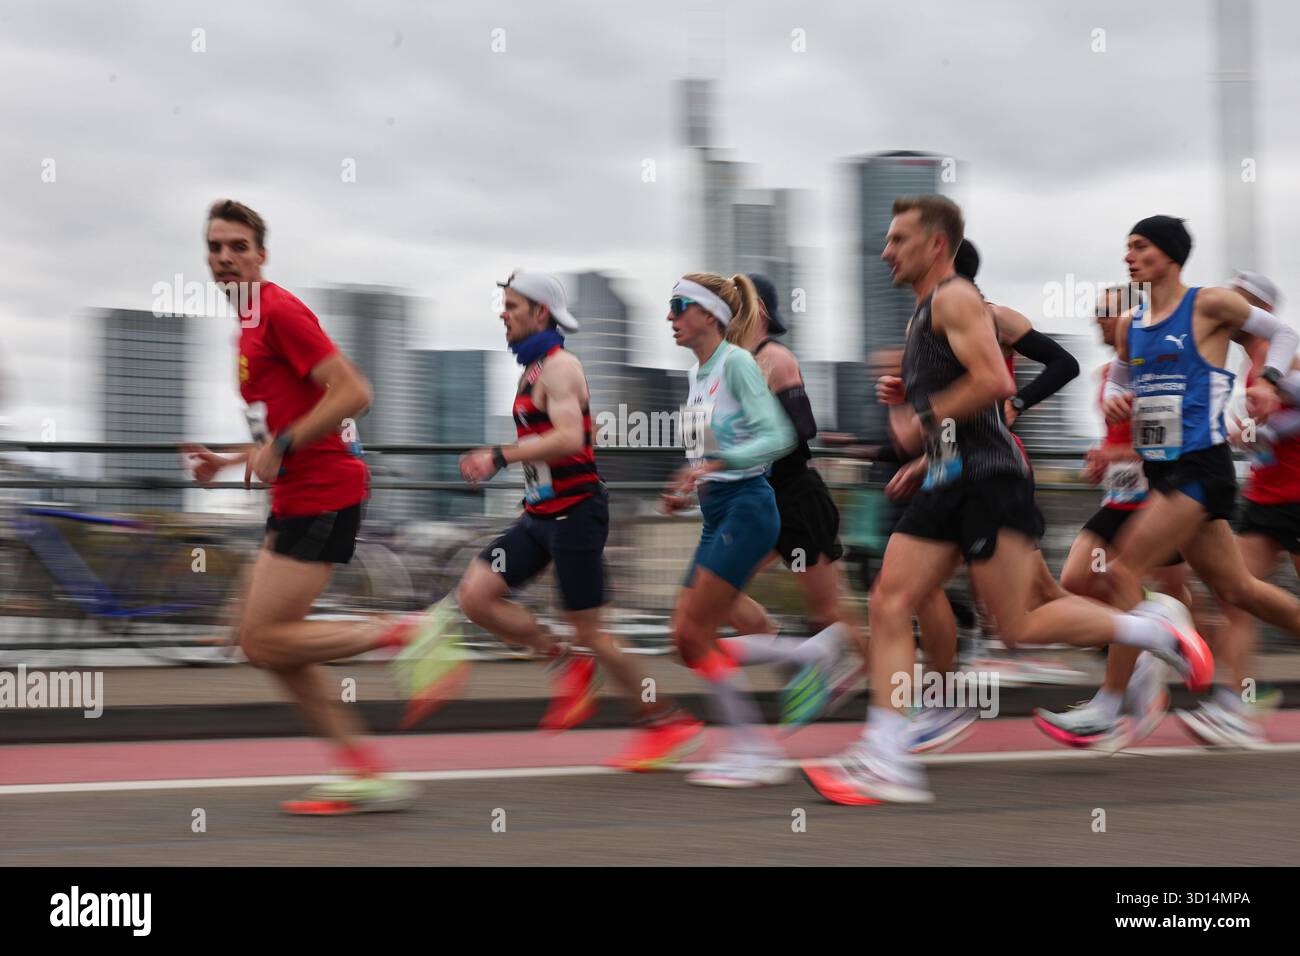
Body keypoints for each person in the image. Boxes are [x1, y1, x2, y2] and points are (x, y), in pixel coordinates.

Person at [802, 198, 1212, 806]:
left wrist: (923, 415)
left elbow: (994, 384)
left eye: (897, 239)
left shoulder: (957, 298)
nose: (885, 251)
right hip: (949, 479)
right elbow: (945, 403)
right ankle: (888, 757)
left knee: (1019, 624)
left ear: (936, 244)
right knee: (891, 601)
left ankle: (1151, 628)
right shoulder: (923, 313)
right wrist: (913, 418)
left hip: (990, 479)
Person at [184, 199, 432, 815]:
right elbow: (282, 426)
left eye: (237, 246)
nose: (224, 258)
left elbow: (355, 392)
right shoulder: (248, 323)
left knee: (263, 640)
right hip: (297, 493)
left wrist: (286, 445)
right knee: (269, 645)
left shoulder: (277, 311)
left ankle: (404, 633)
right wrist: (231, 460)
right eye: (215, 248)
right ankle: (364, 770)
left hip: (323, 494)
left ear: (261, 255)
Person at [1033, 216, 1300, 751]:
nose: (1130, 256)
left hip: (1201, 466)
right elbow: (1126, 378)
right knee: (1238, 590)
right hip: (1161, 470)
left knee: (1125, 569)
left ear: (1170, 255)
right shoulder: (1132, 323)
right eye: (1127, 247)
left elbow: (1283, 332)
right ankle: (1139, 674)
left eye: (1141, 247)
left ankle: (1110, 706)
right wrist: (1116, 397)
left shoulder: (1210, 305)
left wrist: (1270, 383)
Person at [455, 270, 703, 769]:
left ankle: (666, 722)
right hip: (538, 517)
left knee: (594, 633)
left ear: (540, 312)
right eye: (502, 305)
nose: (502, 314)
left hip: (575, 516)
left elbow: (569, 437)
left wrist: (499, 456)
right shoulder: (531, 367)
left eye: (512, 306)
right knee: (477, 596)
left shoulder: (560, 366)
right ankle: (563, 659)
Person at [662, 272, 796, 786]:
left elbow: (778, 436)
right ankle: (806, 653)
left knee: (696, 634)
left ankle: (755, 752)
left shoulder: (738, 363)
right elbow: (707, 456)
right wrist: (686, 492)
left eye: (678, 306)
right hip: (718, 510)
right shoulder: (698, 376)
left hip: (749, 507)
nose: (670, 318)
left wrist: (719, 464)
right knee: (684, 638)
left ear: (709, 314)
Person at [718, 272, 864, 726]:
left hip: (797, 500)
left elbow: (804, 428)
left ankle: (901, 688)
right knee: (720, 590)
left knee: (830, 614)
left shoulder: (774, 359)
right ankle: (796, 660)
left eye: (732, 304)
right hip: (760, 503)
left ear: (755, 311)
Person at [1180, 271, 1291, 746]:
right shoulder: (1250, 360)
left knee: (1241, 597)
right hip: (1267, 497)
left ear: (1256, 307)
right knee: (1236, 596)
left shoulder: (1276, 358)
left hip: (1297, 497)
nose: (1226, 302)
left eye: (1237, 298)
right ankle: (1238, 705)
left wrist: (1268, 430)